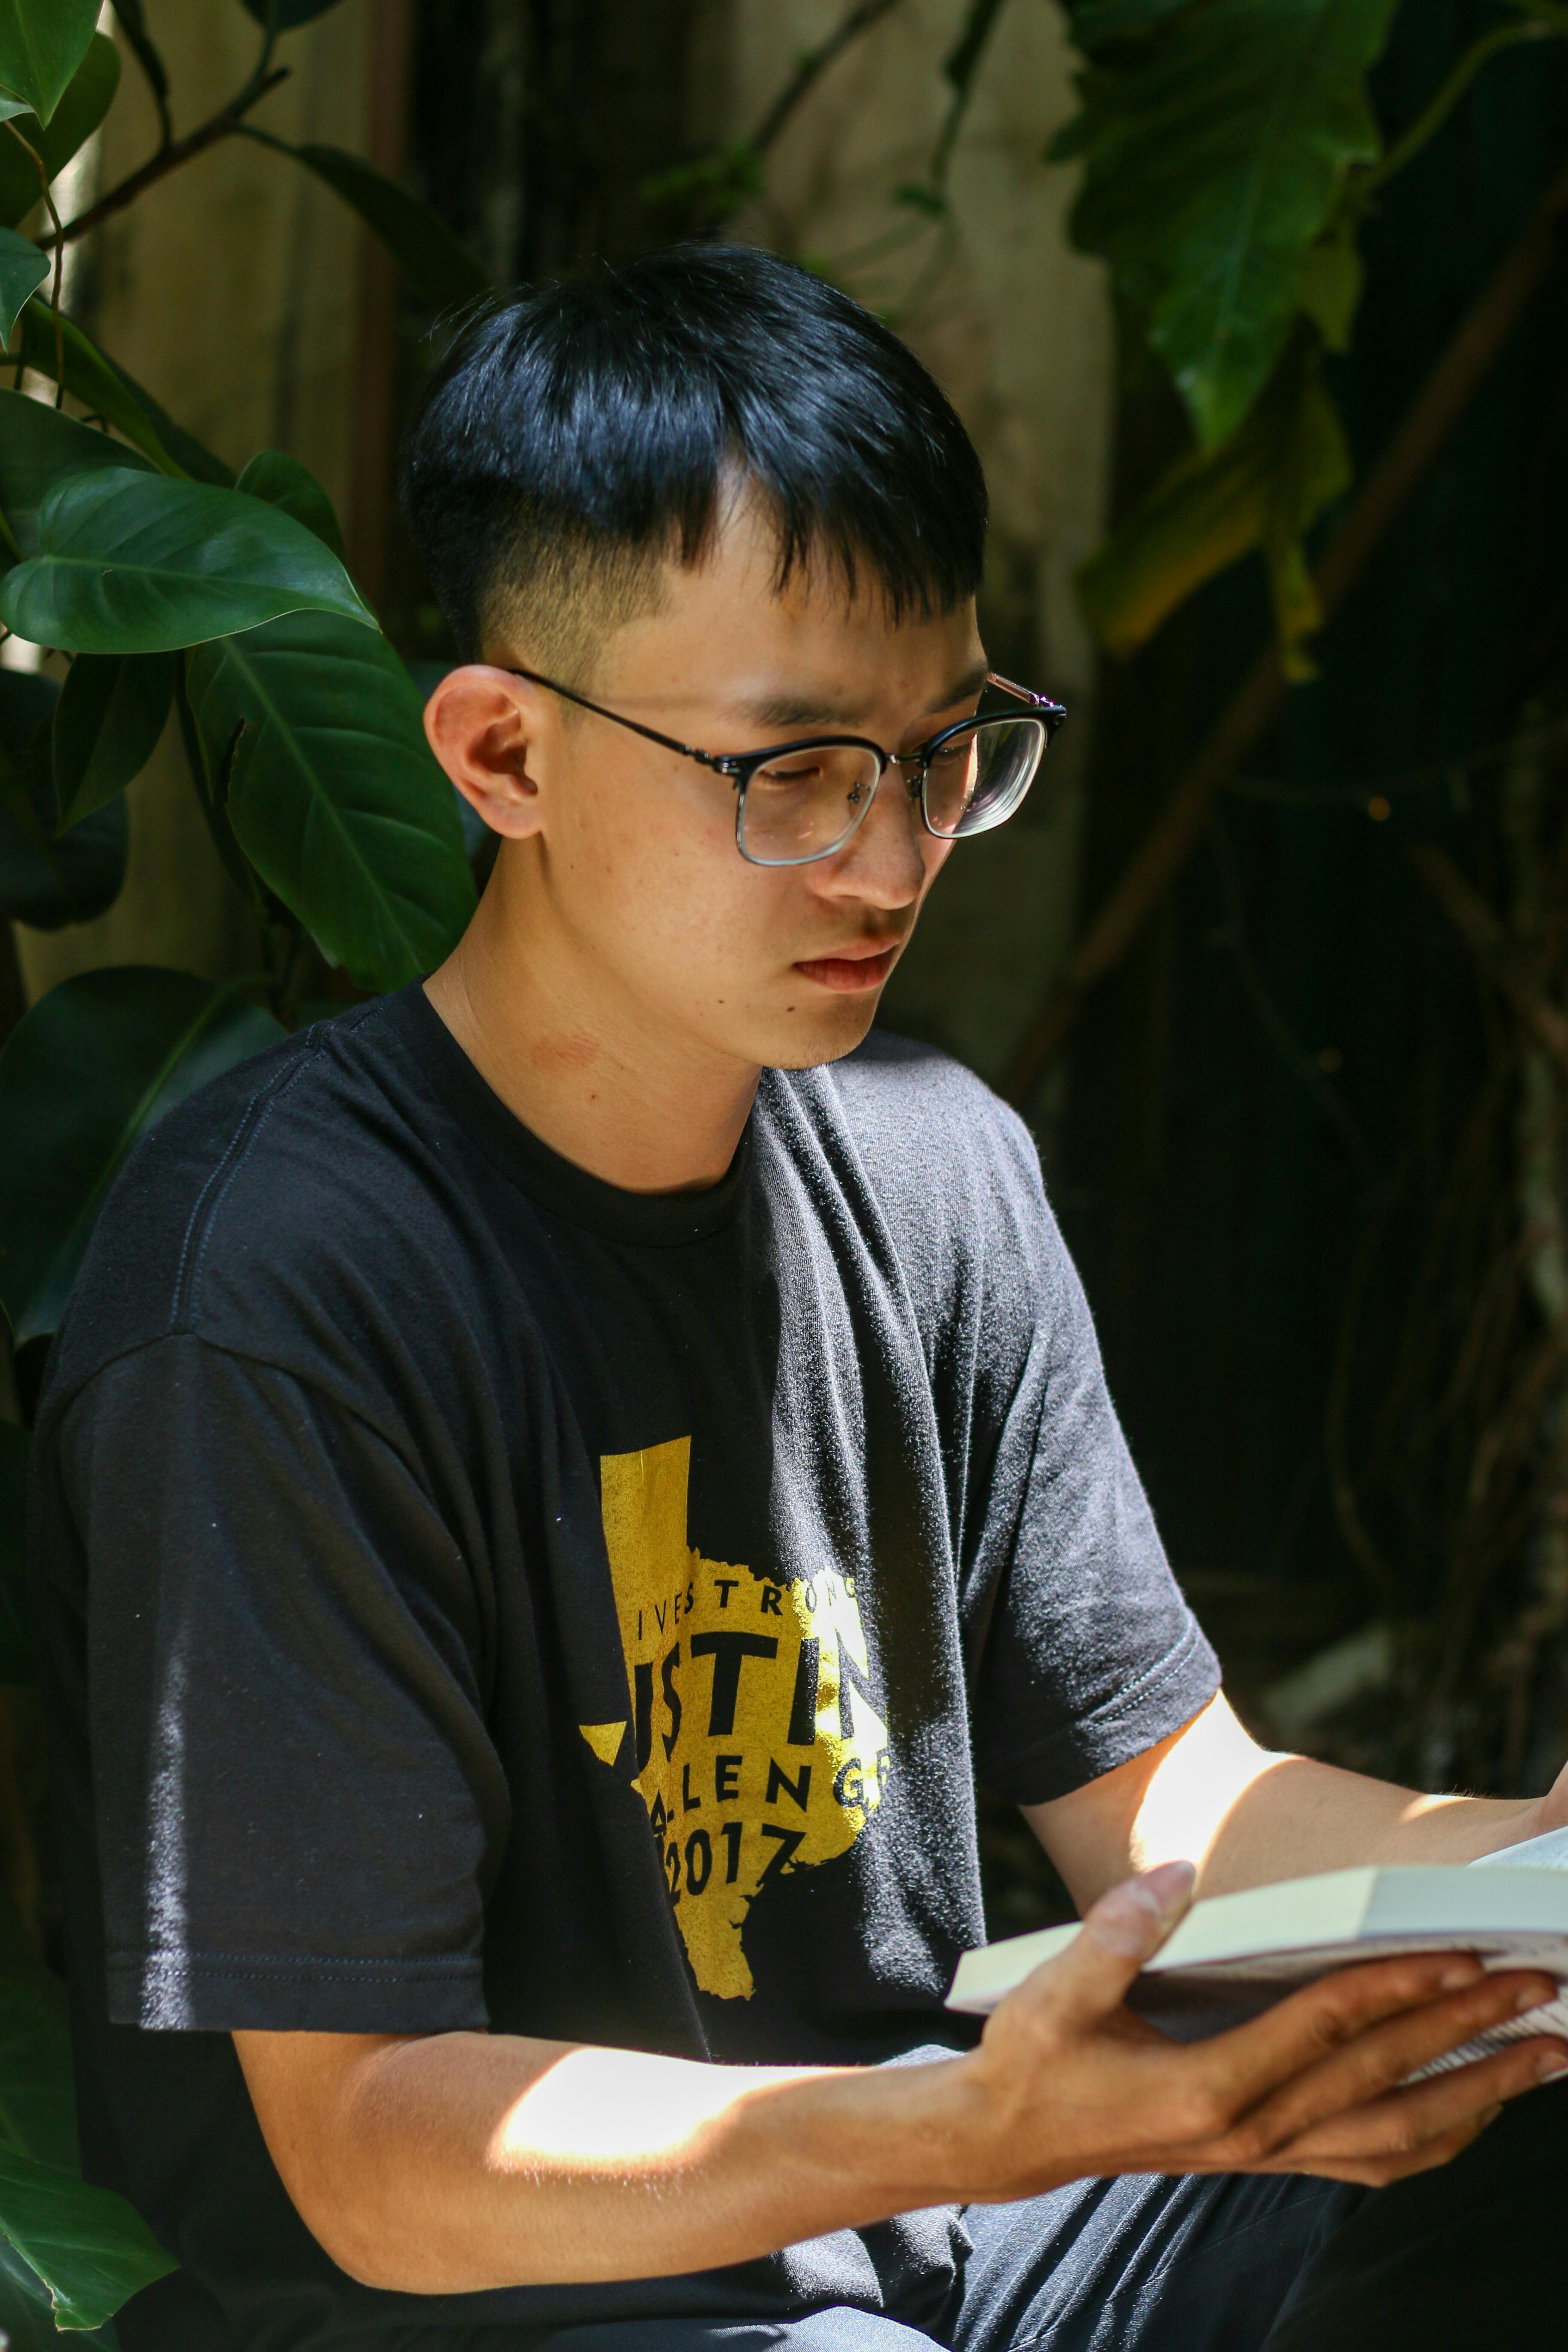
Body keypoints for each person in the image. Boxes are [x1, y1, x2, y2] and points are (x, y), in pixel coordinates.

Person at [28, 245, 1568, 2352]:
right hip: (486, 2306)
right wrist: (955, 2137)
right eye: (795, 772)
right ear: (500, 755)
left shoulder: (938, 1170)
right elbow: (373, 2152)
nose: (894, 860)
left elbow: (1177, 1807)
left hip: (914, 2232)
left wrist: (1524, 1871)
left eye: (944, 755)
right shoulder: (275, 1290)